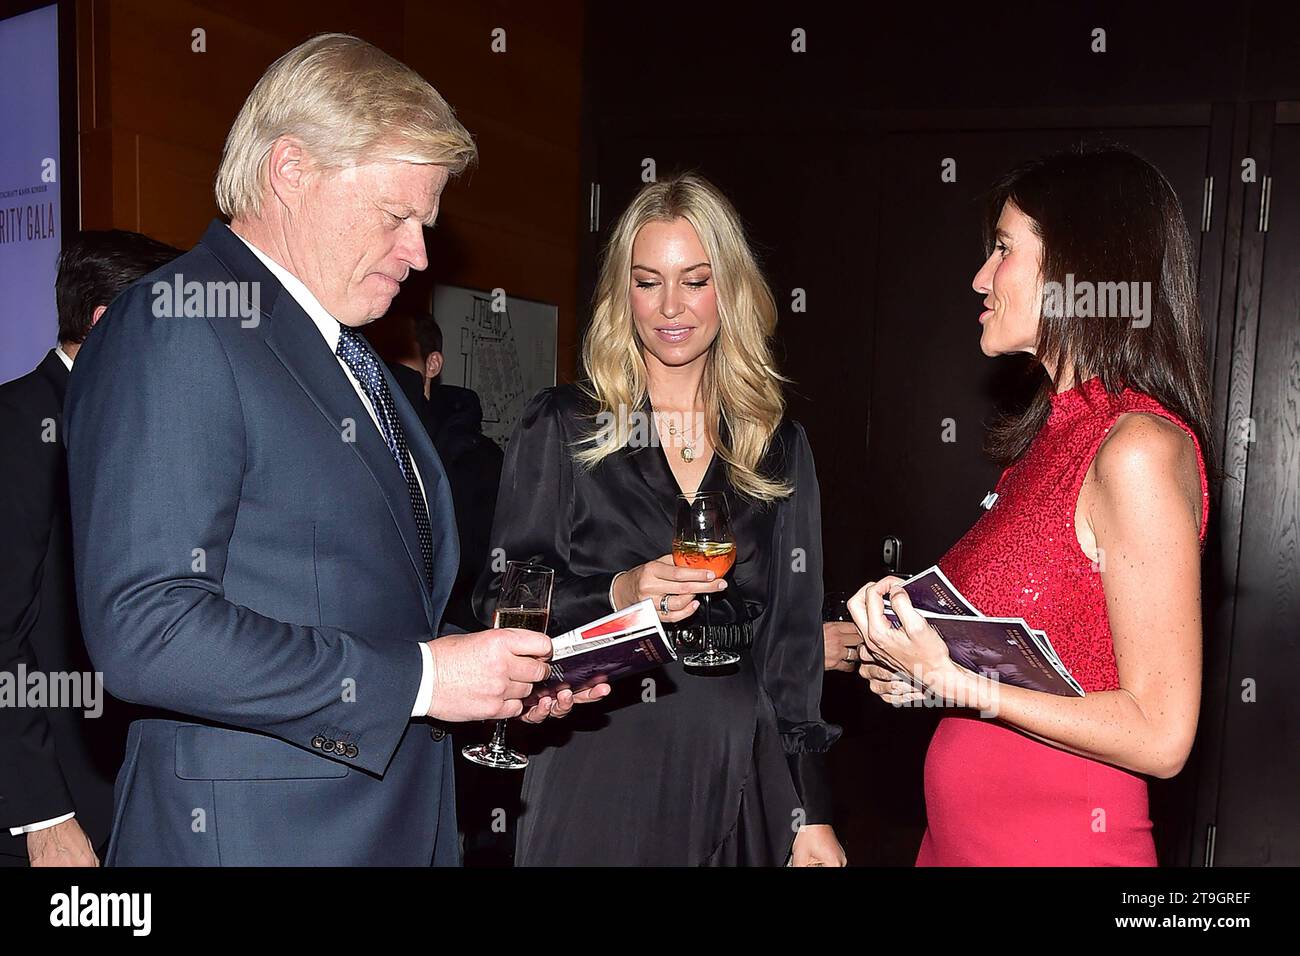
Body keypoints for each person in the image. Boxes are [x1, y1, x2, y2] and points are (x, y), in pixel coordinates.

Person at [63, 33, 603, 867]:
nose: (419, 254)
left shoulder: (358, 362)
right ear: (291, 170)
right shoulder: (178, 325)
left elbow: (374, 609)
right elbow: (147, 627)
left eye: (424, 224)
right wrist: (425, 680)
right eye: (396, 216)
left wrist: (487, 676)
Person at [850, 147, 1211, 866]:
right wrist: (919, 668)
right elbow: (1035, 659)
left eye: (1004, 250)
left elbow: (1163, 734)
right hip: (958, 842)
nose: (981, 277)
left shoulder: (1135, 447)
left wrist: (954, 682)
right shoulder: (1050, 437)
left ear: (1078, 269)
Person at [475, 172, 846, 866]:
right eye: (648, 282)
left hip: (740, 764)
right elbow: (500, 602)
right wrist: (618, 594)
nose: (671, 306)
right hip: (597, 758)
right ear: (624, 295)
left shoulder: (776, 445)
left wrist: (809, 808)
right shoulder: (562, 425)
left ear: (728, 290)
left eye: (695, 280)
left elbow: (791, 650)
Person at [0, 230, 180, 868]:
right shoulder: (19, 423)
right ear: (107, 323)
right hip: (52, 812)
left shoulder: (132, 424)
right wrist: (43, 816)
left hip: (132, 792)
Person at [387, 312, 503, 632]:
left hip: (458, 632)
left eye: (400, 360)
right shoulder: (372, 437)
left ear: (432, 364)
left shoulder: (480, 457)